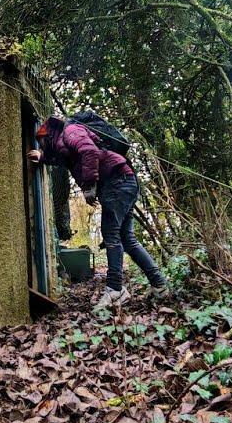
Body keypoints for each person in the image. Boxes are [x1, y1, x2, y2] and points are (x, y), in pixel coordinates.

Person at [27, 115, 167, 308]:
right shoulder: (62, 144)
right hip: (124, 181)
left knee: (111, 234)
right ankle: (159, 285)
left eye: (41, 142)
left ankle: (115, 289)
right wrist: (43, 158)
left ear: (48, 135)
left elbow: (89, 151)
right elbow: (64, 159)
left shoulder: (70, 131)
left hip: (117, 181)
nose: (41, 146)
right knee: (127, 239)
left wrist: (89, 185)